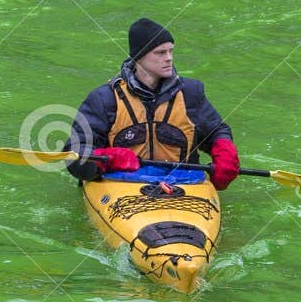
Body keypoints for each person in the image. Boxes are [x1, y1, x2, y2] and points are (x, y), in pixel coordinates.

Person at [66, 18, 242, 189]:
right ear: (139, 57)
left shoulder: (190, 94)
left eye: (170, 51)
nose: (169, 58)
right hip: (120, 184)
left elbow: (217, 131)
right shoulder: (104, 99)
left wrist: (224, 151)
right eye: (160, 53)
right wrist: (106, 158)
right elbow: (74, 152)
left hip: (182, 183)